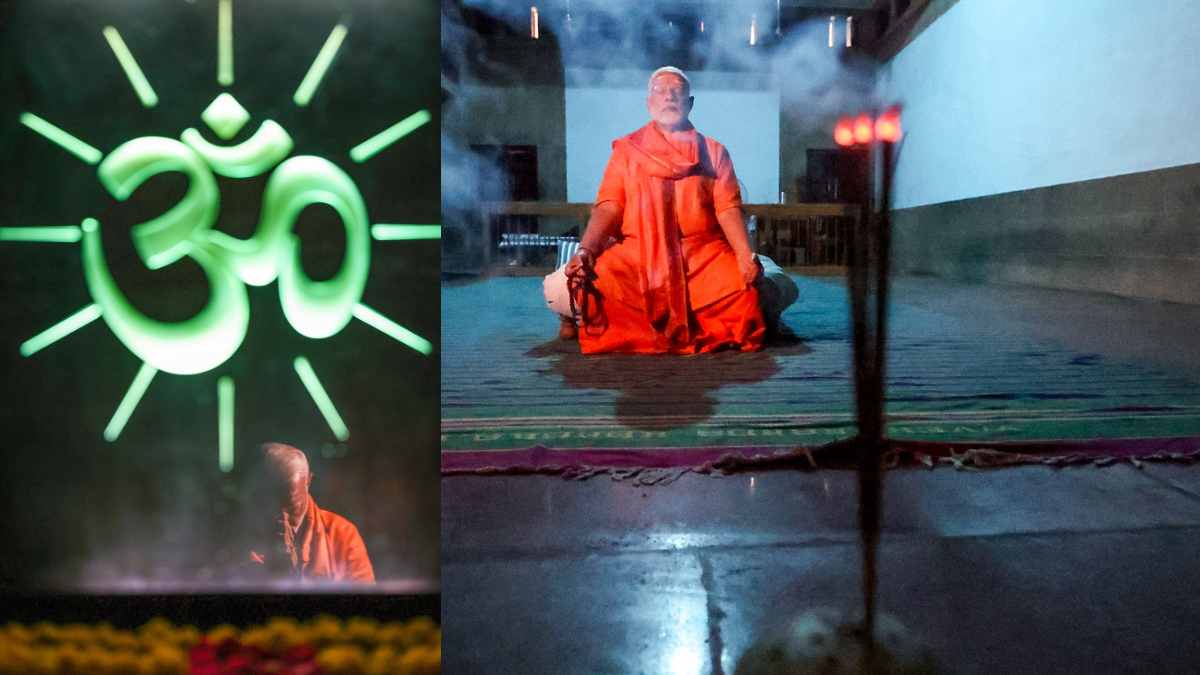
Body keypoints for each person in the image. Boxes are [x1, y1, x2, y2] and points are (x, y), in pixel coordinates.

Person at [543, 66, 797, 354]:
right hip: (638, 255)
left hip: (701, 255)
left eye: (677, 92)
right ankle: (571, 315)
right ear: (649, 103)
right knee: (571, 284)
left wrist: (743, 255)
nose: (669, 97)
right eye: (660, 92)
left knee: (748, 288)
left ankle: (579, 318)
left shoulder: (714, 152)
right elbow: (609, 206)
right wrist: (586, 251)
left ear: (690, 103)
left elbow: (727, 208)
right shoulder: (627, 151)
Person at [244, 442, 375, 584]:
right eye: (270, 502)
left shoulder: (342, 534)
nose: (282, 515)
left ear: (309, 481)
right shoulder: (239, 536)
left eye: (290, 504)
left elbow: (363, 600)